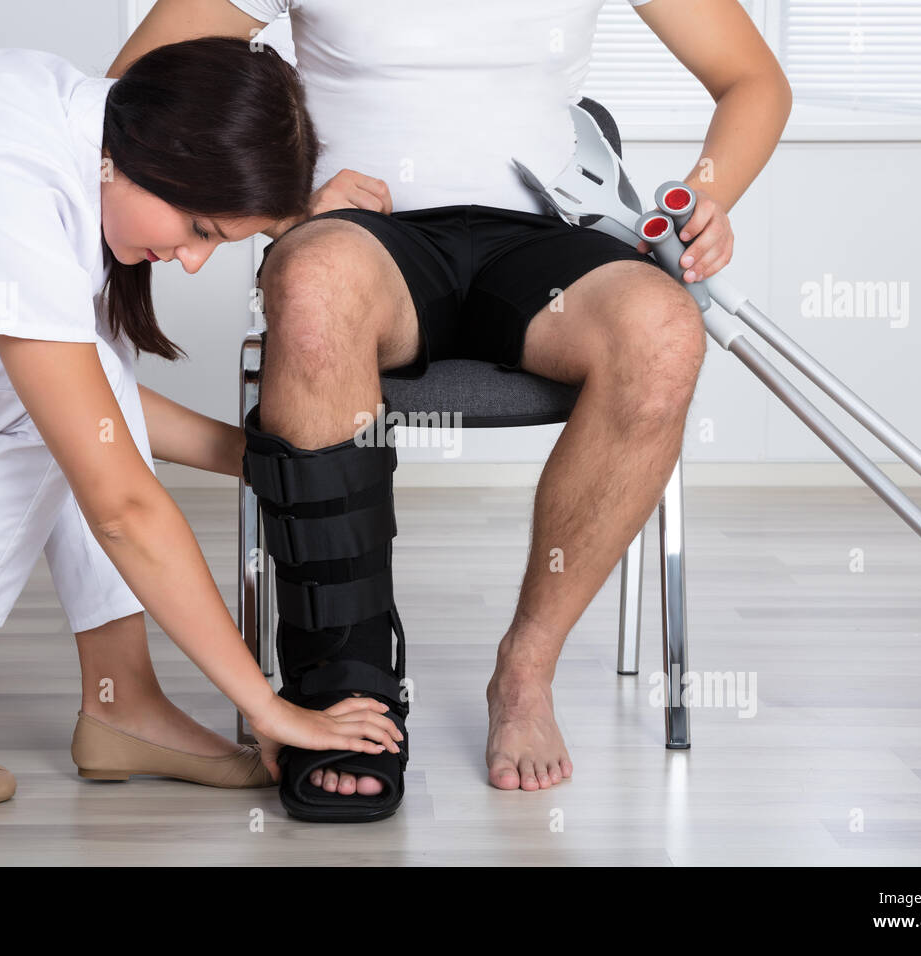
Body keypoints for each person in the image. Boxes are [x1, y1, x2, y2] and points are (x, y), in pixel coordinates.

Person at [110, 0, 792, 820]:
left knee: (663, 330)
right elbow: (128, 91)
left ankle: (527, 671)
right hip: (366, 232)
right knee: (315, 284)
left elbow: (751, 80)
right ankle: (340, 684)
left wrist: (705, 194)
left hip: (550, 229)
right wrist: (282, 209)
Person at [0, 37, 402, 807]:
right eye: (199, 230)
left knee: (65, 385)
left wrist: (273, 455)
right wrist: (268, 707)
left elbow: (100, 404)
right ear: (158, 157)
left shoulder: (81, 122)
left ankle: (121, 701)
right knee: (39, 402)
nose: (192, 261)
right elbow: (120, 501)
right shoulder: (6, 181)